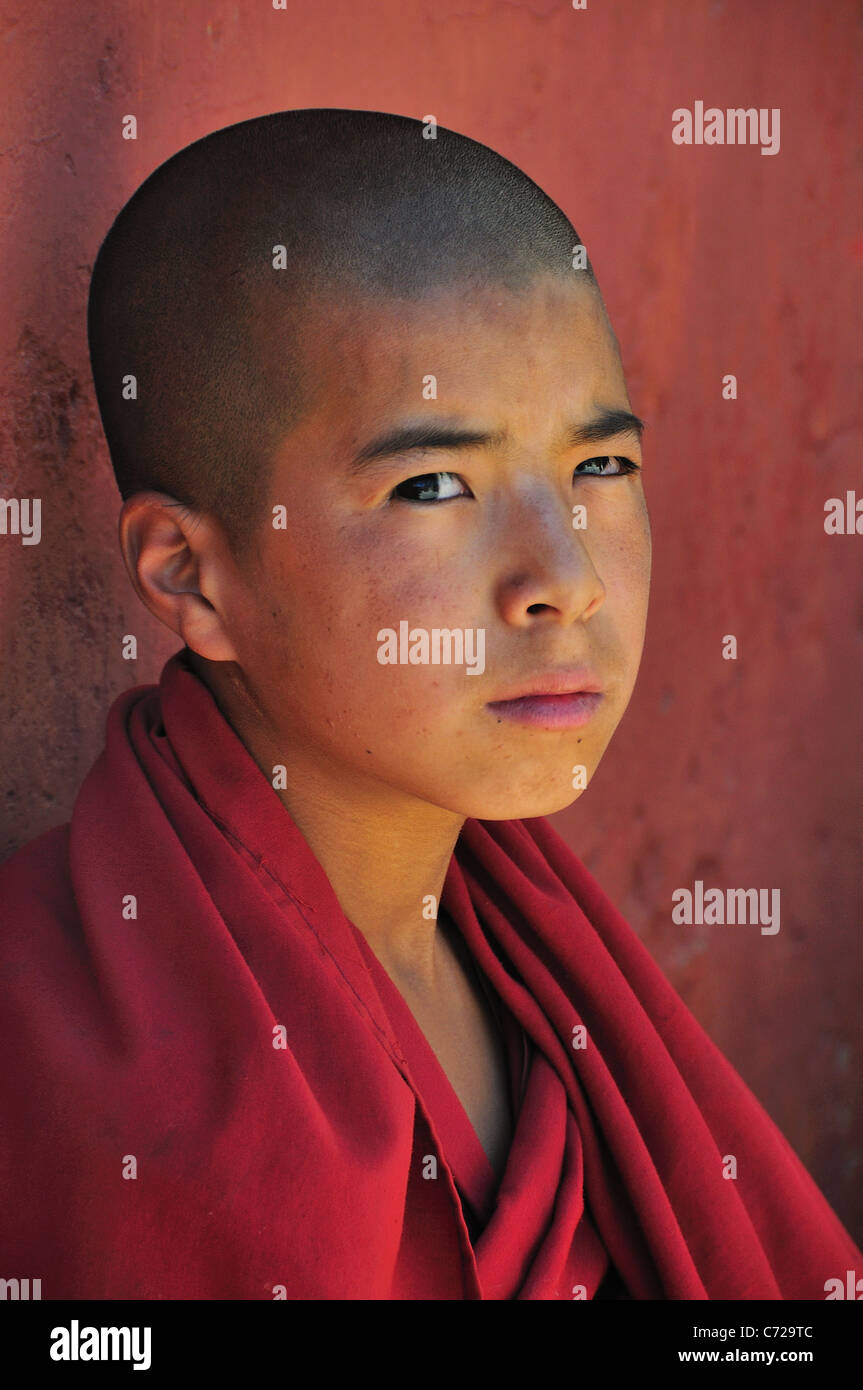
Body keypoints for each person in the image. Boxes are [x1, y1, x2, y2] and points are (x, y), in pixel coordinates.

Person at [0, 109, 858, 1300]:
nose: (563, 579)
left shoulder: (520, 956)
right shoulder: (53, 1044)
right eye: (433, 483)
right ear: (191, 577)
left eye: (598, 468)